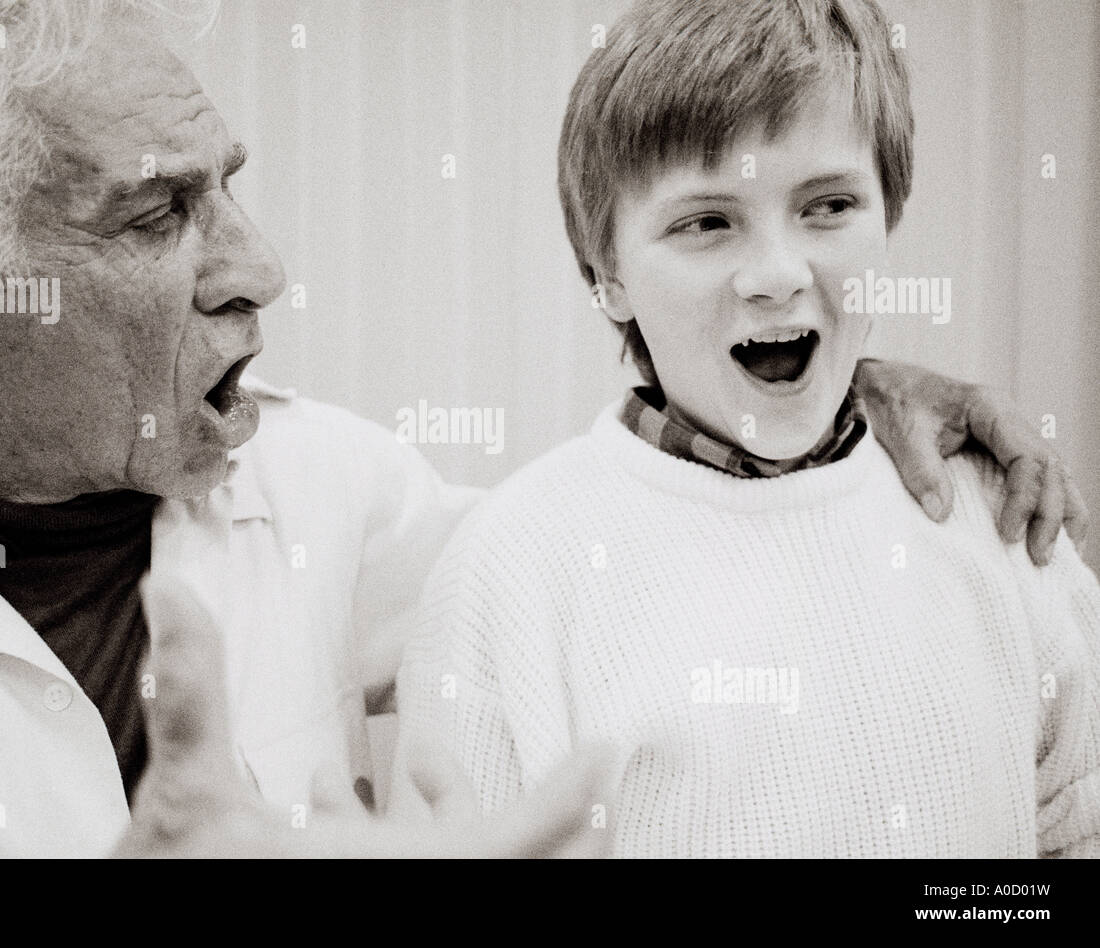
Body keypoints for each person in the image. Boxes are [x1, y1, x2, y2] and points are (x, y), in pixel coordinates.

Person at [0, 0, 1084, 857]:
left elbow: (686, 537)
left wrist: (854, 382)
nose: (262, 268)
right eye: (153, 217)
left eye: (229, 189)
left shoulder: (340, 497)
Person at [393, 0, 1100, 857]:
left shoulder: (997, 515)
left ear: (890, 219)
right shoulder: (509, 572)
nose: (776, 274)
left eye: (829, 206)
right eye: (706, 222)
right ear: (606, 275)